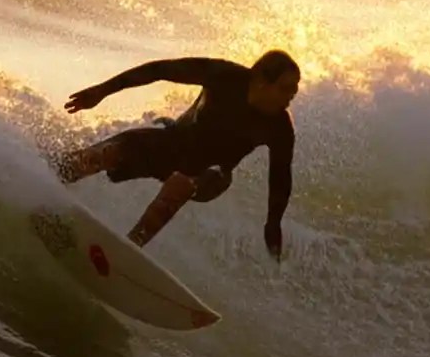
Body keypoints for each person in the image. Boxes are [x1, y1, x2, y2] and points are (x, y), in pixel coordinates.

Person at [53, 49, 300, 259]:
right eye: (286, 88)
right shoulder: (224, 76)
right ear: (260, 80)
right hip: (173, 143)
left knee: (182, 183)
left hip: (210, 176)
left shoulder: (279, 127)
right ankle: (46, 179)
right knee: (105, 154)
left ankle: (126, 251)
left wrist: (273, 224)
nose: (291, 96)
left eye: (294, 90)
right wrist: (102, 91)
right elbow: (160, 70)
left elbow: (280, 179)